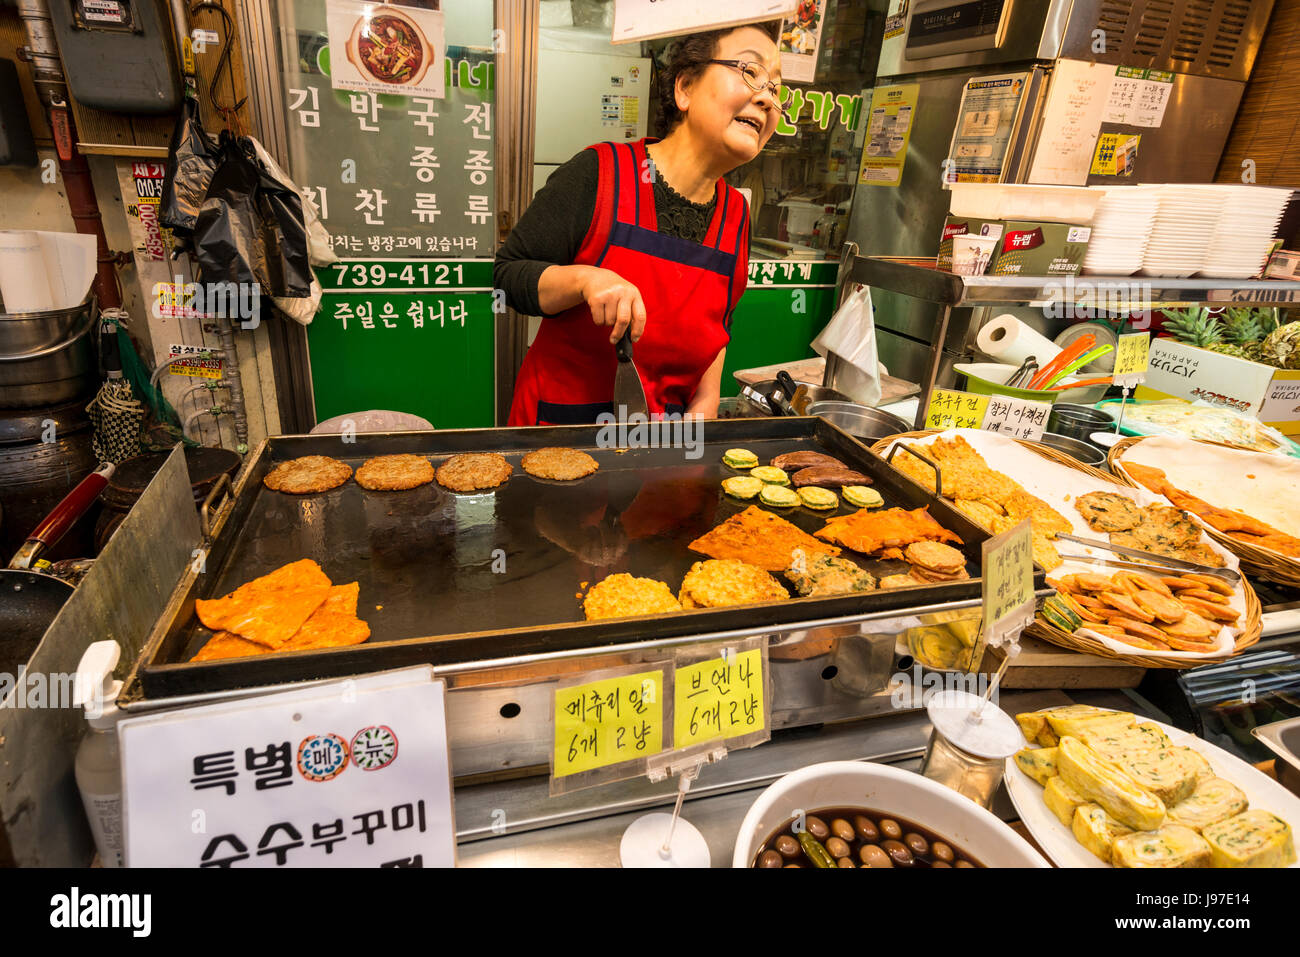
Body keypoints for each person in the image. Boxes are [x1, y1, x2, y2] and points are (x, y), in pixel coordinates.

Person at [495, 21, 783, 426]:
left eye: (775, 88)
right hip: (560, 437)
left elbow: (719, 329)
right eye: (751, 73)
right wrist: (585, 280)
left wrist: (703, 411)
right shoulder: (601, 173)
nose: (767, 99)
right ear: (685, 87)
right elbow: (507, 279)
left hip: (662, 451)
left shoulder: (736, 213)